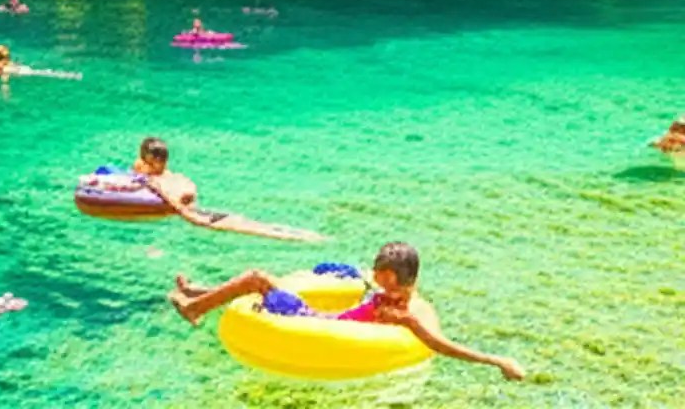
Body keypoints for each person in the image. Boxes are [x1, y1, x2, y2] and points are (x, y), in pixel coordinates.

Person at [167, 242, 525, 381]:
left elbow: (442, 345)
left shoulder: (405, 314)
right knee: (260, 281)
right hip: (319, 318)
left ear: (397, 278)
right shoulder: (393, 295)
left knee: (257, 279)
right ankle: (197, 294)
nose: (374, 279)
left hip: (310, 325)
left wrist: (499, 361)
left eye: (380, 276)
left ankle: (195, 307)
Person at [117, 137, 322, 241]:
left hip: (193, 212)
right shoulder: (143, 170)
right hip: (191, 209)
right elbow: (138, 177)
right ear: (146, 160)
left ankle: (301, 235)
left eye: (162, 162)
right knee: (243, 225)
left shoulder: (164, 177)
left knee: (243, 225)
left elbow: (182, 193)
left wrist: (180, 207)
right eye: (156, 162)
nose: (159, 165)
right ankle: (300, 235)